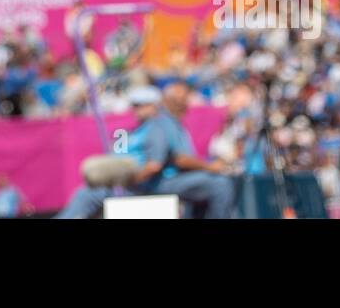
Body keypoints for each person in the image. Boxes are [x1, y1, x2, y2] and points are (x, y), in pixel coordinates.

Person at [56, 83, 234, 219]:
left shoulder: (157, 124)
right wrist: (124, 180)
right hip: (144, 184)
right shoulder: (143, 129)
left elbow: (156, 165)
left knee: (217, 184)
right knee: (219, 184)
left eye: (141, 105)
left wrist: (127, 180)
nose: (136, 109)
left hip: (148, 182)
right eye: (134, 105)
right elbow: (153, 165)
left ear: (154, 105)